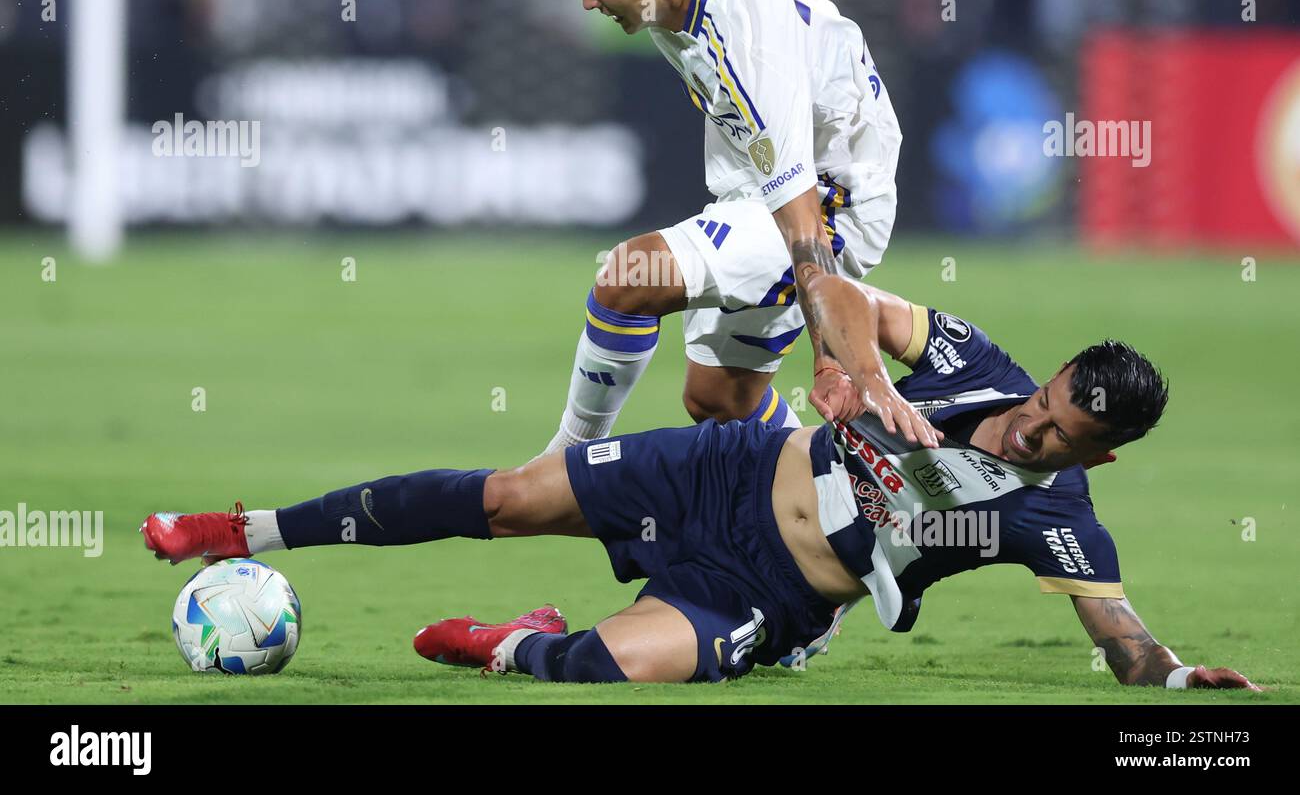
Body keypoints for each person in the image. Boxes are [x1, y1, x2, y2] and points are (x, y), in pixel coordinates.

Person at [141, 282, 1258, 690]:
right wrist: (856, 371)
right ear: (1052, 373)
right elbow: (841, 288)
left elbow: (1121, 635)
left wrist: (1169, 679)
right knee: (501, 498)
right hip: (716, 471)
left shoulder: (1058, 517)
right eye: (1044, 401)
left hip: (763, 593)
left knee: (605, 666)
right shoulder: (975, 364)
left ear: (1093, 457)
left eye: (1055, 436)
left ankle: (510, 640)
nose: (1028, 428)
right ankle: (239, 527)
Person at [521, 0, 906, 452]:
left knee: (628, 277)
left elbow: (805, 233)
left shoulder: (750, 52)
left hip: (831, 198)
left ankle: (566, 464)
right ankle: (846, 505)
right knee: (719, 401)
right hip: (775, 170)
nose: (586, 2)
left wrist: (829, 361)